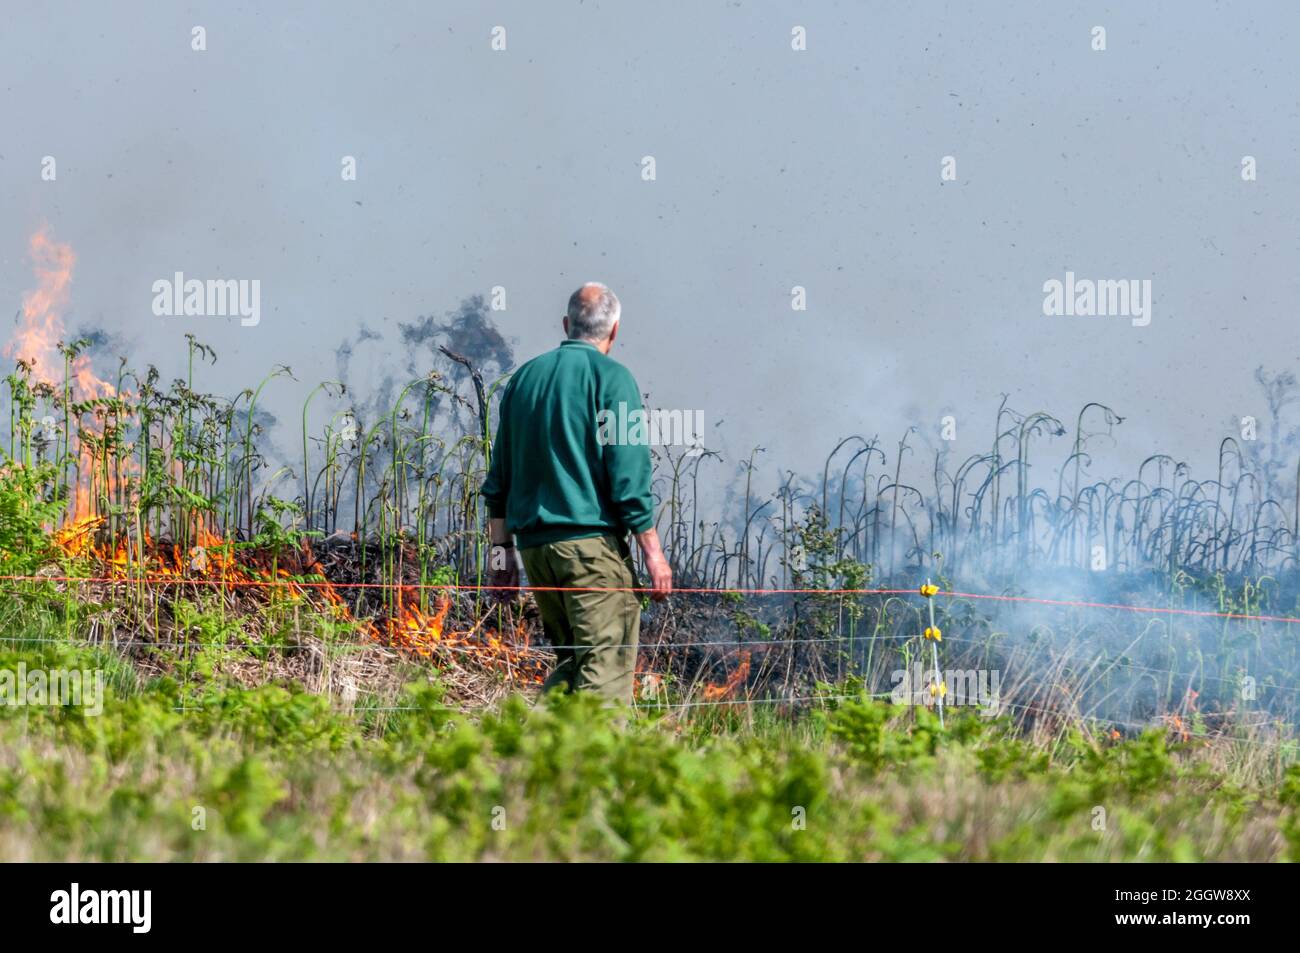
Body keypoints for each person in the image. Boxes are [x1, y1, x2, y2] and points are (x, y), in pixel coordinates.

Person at [481, 282, 672, 705]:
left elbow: (498, 483)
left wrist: (502, 557)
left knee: (572, 667)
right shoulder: (613, 379)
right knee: (606, 673)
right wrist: (653, 553)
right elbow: (628, 478)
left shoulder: (524, 379)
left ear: (566, 325)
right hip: (589, 553)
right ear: (615, 331)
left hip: (536, 553)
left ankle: (528, 758)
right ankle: (593, 767)